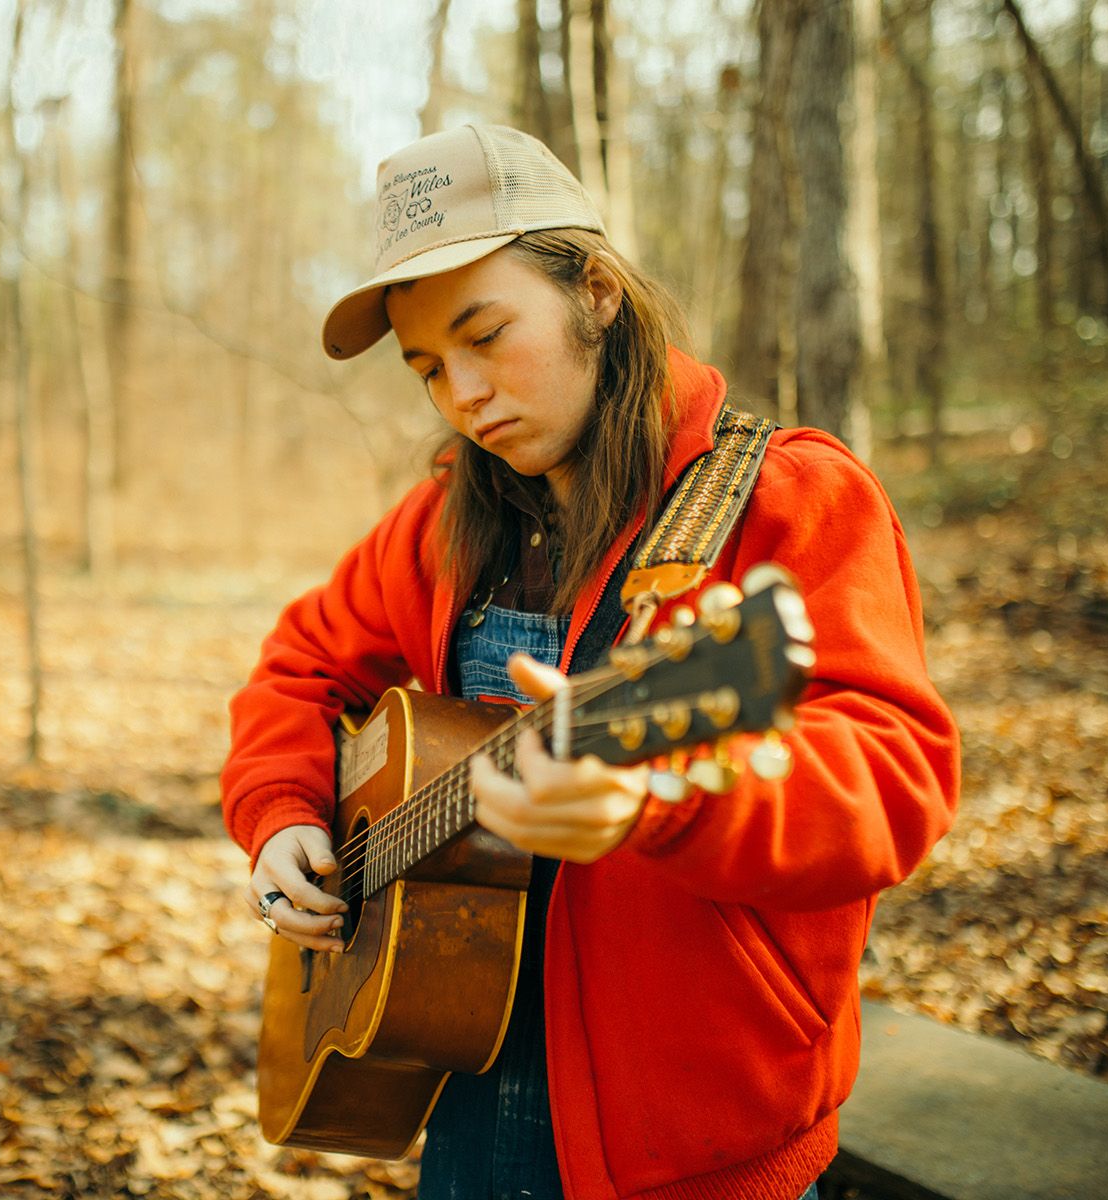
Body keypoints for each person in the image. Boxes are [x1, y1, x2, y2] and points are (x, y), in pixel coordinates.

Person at [221, 124, 960, 1200]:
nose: (463, 395)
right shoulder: (442, 524)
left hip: (694, 1133)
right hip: (459, 1066)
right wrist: (284, 812)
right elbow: (297, 665)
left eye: (486, 335)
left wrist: (662, 805)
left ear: (598, 292)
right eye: (429, 367)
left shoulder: (790, 497)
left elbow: (894, 781)